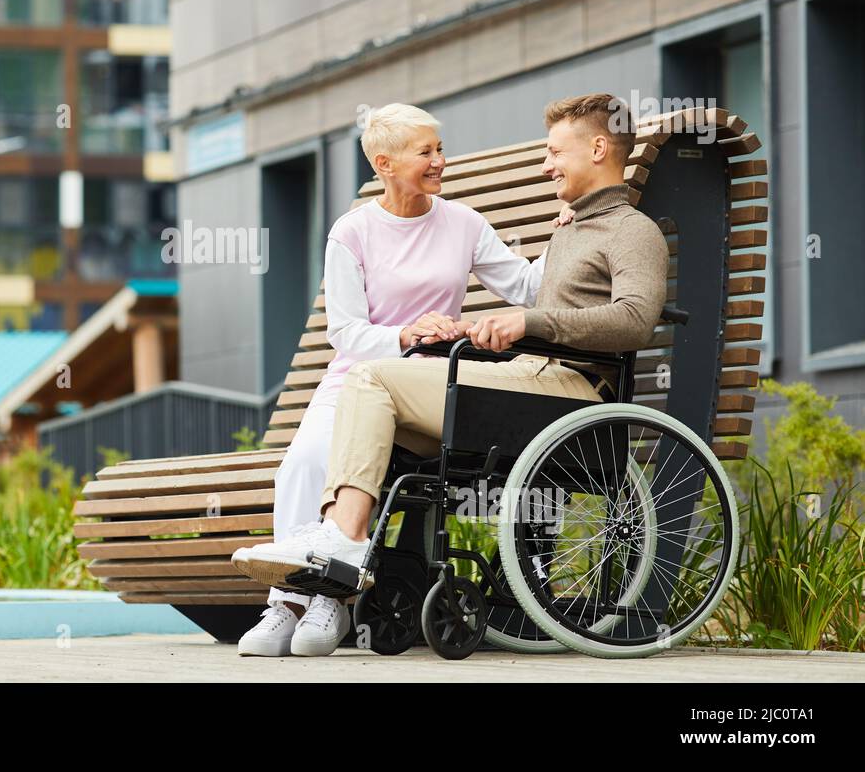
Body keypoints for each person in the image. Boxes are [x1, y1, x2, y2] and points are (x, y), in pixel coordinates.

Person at [233, 93, 670, 657]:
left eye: (555, 152)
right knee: (332, 428)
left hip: (557, 390)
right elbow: (551, 292)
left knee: (374, 382)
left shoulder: (630, 230)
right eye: (426, 150)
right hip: (494, 376)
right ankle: (305, 590)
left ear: (598, 147)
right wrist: (565, 234)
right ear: (384, 164)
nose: (545, 165)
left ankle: (339, 552)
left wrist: (518, 318)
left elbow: (629, 319)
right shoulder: (358, 230)